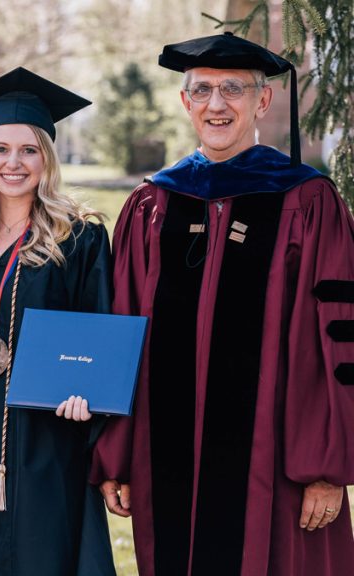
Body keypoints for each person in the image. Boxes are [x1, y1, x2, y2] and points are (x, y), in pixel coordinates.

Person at [92, 32, 354, 576]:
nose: (217, 104)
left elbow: (332, 337)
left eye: (233, 89)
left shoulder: (307, 200)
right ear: (185, 102)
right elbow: (123, 333)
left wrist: (325, 467)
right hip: (167, 463)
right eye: (203, 90)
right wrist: (117, 456)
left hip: (278, 468)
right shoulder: (153, 203)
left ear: (262, 101)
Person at [0, 68, 116, 576]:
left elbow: (99, 331)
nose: (13, 163)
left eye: (29, 150)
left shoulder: (79, 240)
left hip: (49, 440)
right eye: (0, 149)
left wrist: (89, 393)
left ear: (47, 159)